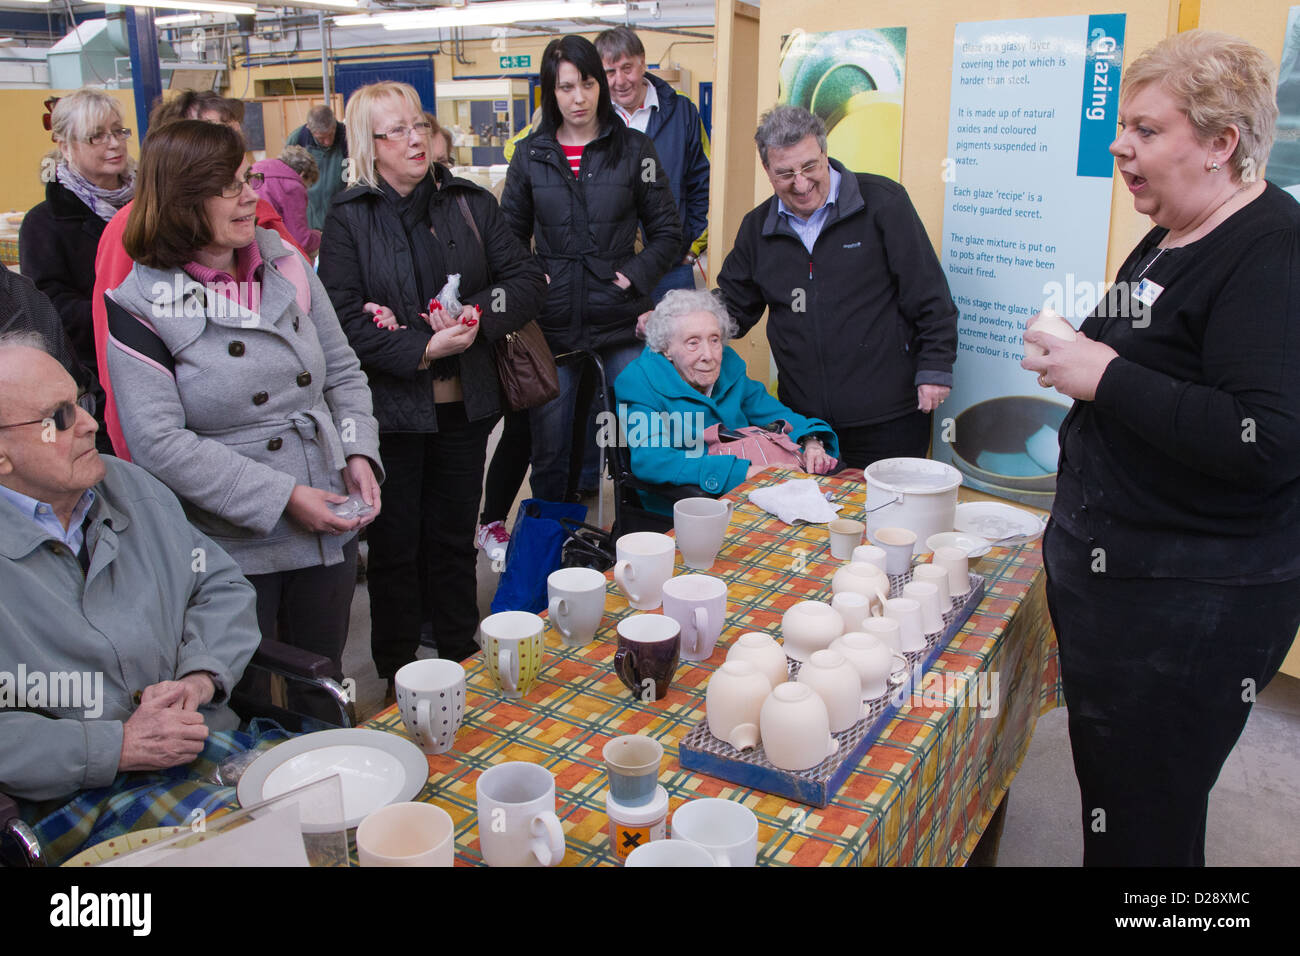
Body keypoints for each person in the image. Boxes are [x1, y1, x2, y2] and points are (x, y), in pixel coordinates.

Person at [1021, 31, 1300, 866]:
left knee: (1145, 821)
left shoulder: (1274, 250)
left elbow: (1269, 438)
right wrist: (1083, 352)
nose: (1120, 146)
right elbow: (1156, 356)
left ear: (1221, 145)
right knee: (1131, 801)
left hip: (1187, 611)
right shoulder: (1177, 228)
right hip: (1124, 593)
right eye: (1123, 129)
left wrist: (1102, 374)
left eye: (1146, 130)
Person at [104, 120, 383, 717]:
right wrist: (285, 496)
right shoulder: (139, 304)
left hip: (326, 519)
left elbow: (342, 371)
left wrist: (359, 453)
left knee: (320, 678)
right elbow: (158, 442)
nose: (251, 196)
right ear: (181, 200)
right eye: (228, 187)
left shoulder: (286, 264)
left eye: (248, 179)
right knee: (248, 695)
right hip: (231, 541)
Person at [317, 81, 545, 679]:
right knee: (394, 550)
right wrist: (421, 348)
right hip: (390, 412)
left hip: (465, 409)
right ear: (369, 143)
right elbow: (339, 322)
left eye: (418, 124)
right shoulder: (348, 218)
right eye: (396, 131)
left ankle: (459, 662)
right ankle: (397, 679)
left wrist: (474, 315)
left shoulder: (469, 202)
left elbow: (522, 279)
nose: (415, 139)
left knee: (451, 543)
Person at [0, 337, 259, 814]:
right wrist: (115, 745)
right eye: (59, 417)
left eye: (82, 401)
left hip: (211, 745)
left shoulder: (128, 487)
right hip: (86, 797)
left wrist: (200, 676)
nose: (90, 424)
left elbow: (220, 585)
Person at [494, 34, 680, 524]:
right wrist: (536, 279)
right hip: (553, 328)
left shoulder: (634, 149)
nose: (578, 98)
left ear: (601, 85)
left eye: (588, 84)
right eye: (565, 87)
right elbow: (507, 238)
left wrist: (634, 276)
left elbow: (668, 232)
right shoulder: (531, 155)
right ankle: (554, 560)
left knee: (635, 441)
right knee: (551, 454)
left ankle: (640, 545)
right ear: (550, 93)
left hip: (619, 322)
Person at [716, 105, 957, 469]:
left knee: (889, 519)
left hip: (889, 415)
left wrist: (935, 368)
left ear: (825, 154)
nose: (800, 183)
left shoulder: (883, 203)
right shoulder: (757, 228)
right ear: (766, 170)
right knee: (813, 520)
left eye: (810, 167)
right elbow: (733, 306)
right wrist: (683, 324)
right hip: (806, 424)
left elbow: (928, 294)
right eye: (785, 173)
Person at [91, 92, 302, 462]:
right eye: (210, 135)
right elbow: (125, 364)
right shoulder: (135, 232)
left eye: (233, 137)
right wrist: (135, 465)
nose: (227, 148)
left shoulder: (260, 219)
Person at [615, 289, 838, 512]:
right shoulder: (638, 382)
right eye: (693, 343)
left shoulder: (729, 368)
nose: (709, 355)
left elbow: (776, 413)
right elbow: (652, 461)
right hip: (686, 506)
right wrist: (744, 472)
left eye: (714, 340)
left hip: (754, 491)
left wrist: (811, 441)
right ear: (666, 349)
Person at [19, 88, 135, 451]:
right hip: (96, 375)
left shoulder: (151, 206)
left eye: (118, 131)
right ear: (66, 147)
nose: (113, 143)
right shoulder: (44, 223)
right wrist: (131, 313)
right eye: (96, 136)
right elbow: (48, 304)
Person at [596, 26, 710, 300]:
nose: (620, 80)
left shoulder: (682, 112)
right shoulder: (590, 118)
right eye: (610, 72)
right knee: (622, 343)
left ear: (643, 63)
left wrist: (690, 246)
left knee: (678, 341)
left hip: (672, 266)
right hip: (611, 271)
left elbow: (703, 182)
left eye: (627, 68)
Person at [252, 144, 322, 257]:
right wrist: (319, 236)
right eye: (307, 185)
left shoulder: (256, 169)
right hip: (270, 251)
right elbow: (301, 239)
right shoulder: (292, 185)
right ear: (302, 174)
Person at [288, 104, 349, 231]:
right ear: (309, 128)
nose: (327, 142)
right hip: (309, 219)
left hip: (341, 216)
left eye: (331, 134)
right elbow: (285, 178)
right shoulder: (298, 139)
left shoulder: (348, 137)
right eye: (321, 138)